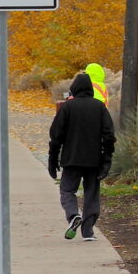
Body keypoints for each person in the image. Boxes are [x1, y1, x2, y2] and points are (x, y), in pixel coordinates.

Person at [48, 72, 117, 241]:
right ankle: (88, 231)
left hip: (71, 159)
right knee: (91, 193)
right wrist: (106, 160)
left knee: (67, 190)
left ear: (74, 88)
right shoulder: (99, 107)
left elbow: (56, 136)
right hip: (94, 159)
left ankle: (73, 215)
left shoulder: (67, 108)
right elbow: (109, 136)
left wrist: (53, 159)